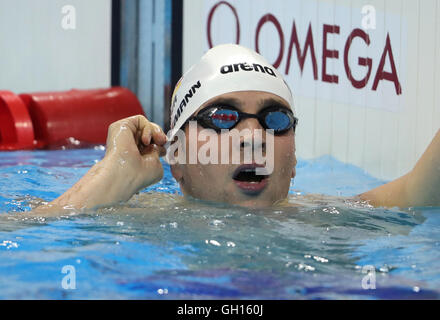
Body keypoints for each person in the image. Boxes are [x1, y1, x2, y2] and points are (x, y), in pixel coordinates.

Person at [33, 44, 440, 215]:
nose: (253, 136)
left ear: (295, 160)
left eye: (275, 119)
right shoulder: (134, 226)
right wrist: (109, 178)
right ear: (178, 159)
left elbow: (424, 192)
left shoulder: (324, 218)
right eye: (223, 117)